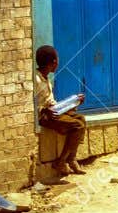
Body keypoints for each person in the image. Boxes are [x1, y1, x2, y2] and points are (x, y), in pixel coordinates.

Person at [34, 45, 86, 179]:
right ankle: (62, 161)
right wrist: (44, 109)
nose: (58, 63)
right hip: (45, 116)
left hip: (54, 111)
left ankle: (71, 158)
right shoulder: (36, 80)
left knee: (81, 119)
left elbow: (51, 102)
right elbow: (33, 103)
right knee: (77, 125)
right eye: (56, 60)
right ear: (53, 62)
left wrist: (73, 102)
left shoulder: (46, 78)